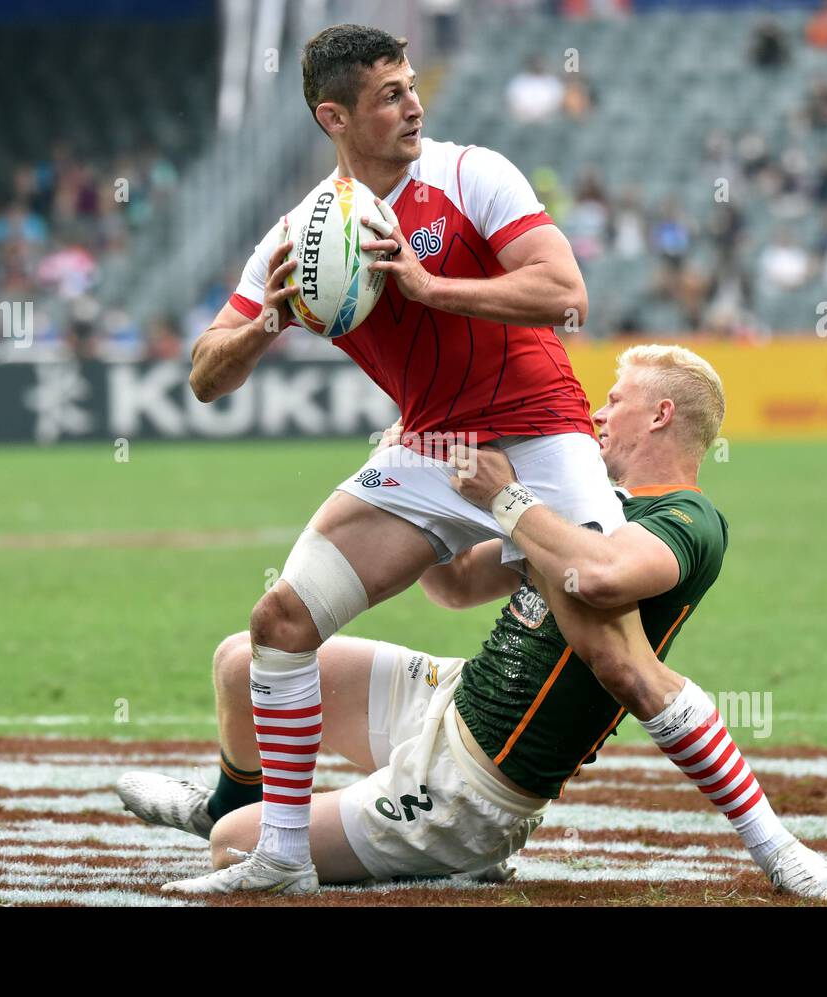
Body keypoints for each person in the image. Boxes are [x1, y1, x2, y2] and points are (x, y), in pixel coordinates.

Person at [120, 345, 827, 901]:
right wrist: (415, 477)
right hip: (454, 695)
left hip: (478, 789)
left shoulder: (686, 517)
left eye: (616, 398)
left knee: (230, 849)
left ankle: (451, 855)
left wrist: (508, 500)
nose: (597, 413)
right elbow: (454, 584)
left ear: (661, 415)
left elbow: (601, 573)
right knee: (242, 660)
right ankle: (232, 795)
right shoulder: (576, 497)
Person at [183, 24, 646, 895]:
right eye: (389, 94)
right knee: (279, 623)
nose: (413, 104)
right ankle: (281, 853)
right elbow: (206, 376)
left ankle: (764, 835)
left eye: (410, 86)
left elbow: (565, 292)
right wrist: (262, 324)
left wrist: (434, 290)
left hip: (541, 431)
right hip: (432, 445)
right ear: (334, 116)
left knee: (612, 638)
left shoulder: (472, 173)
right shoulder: (300, 234)